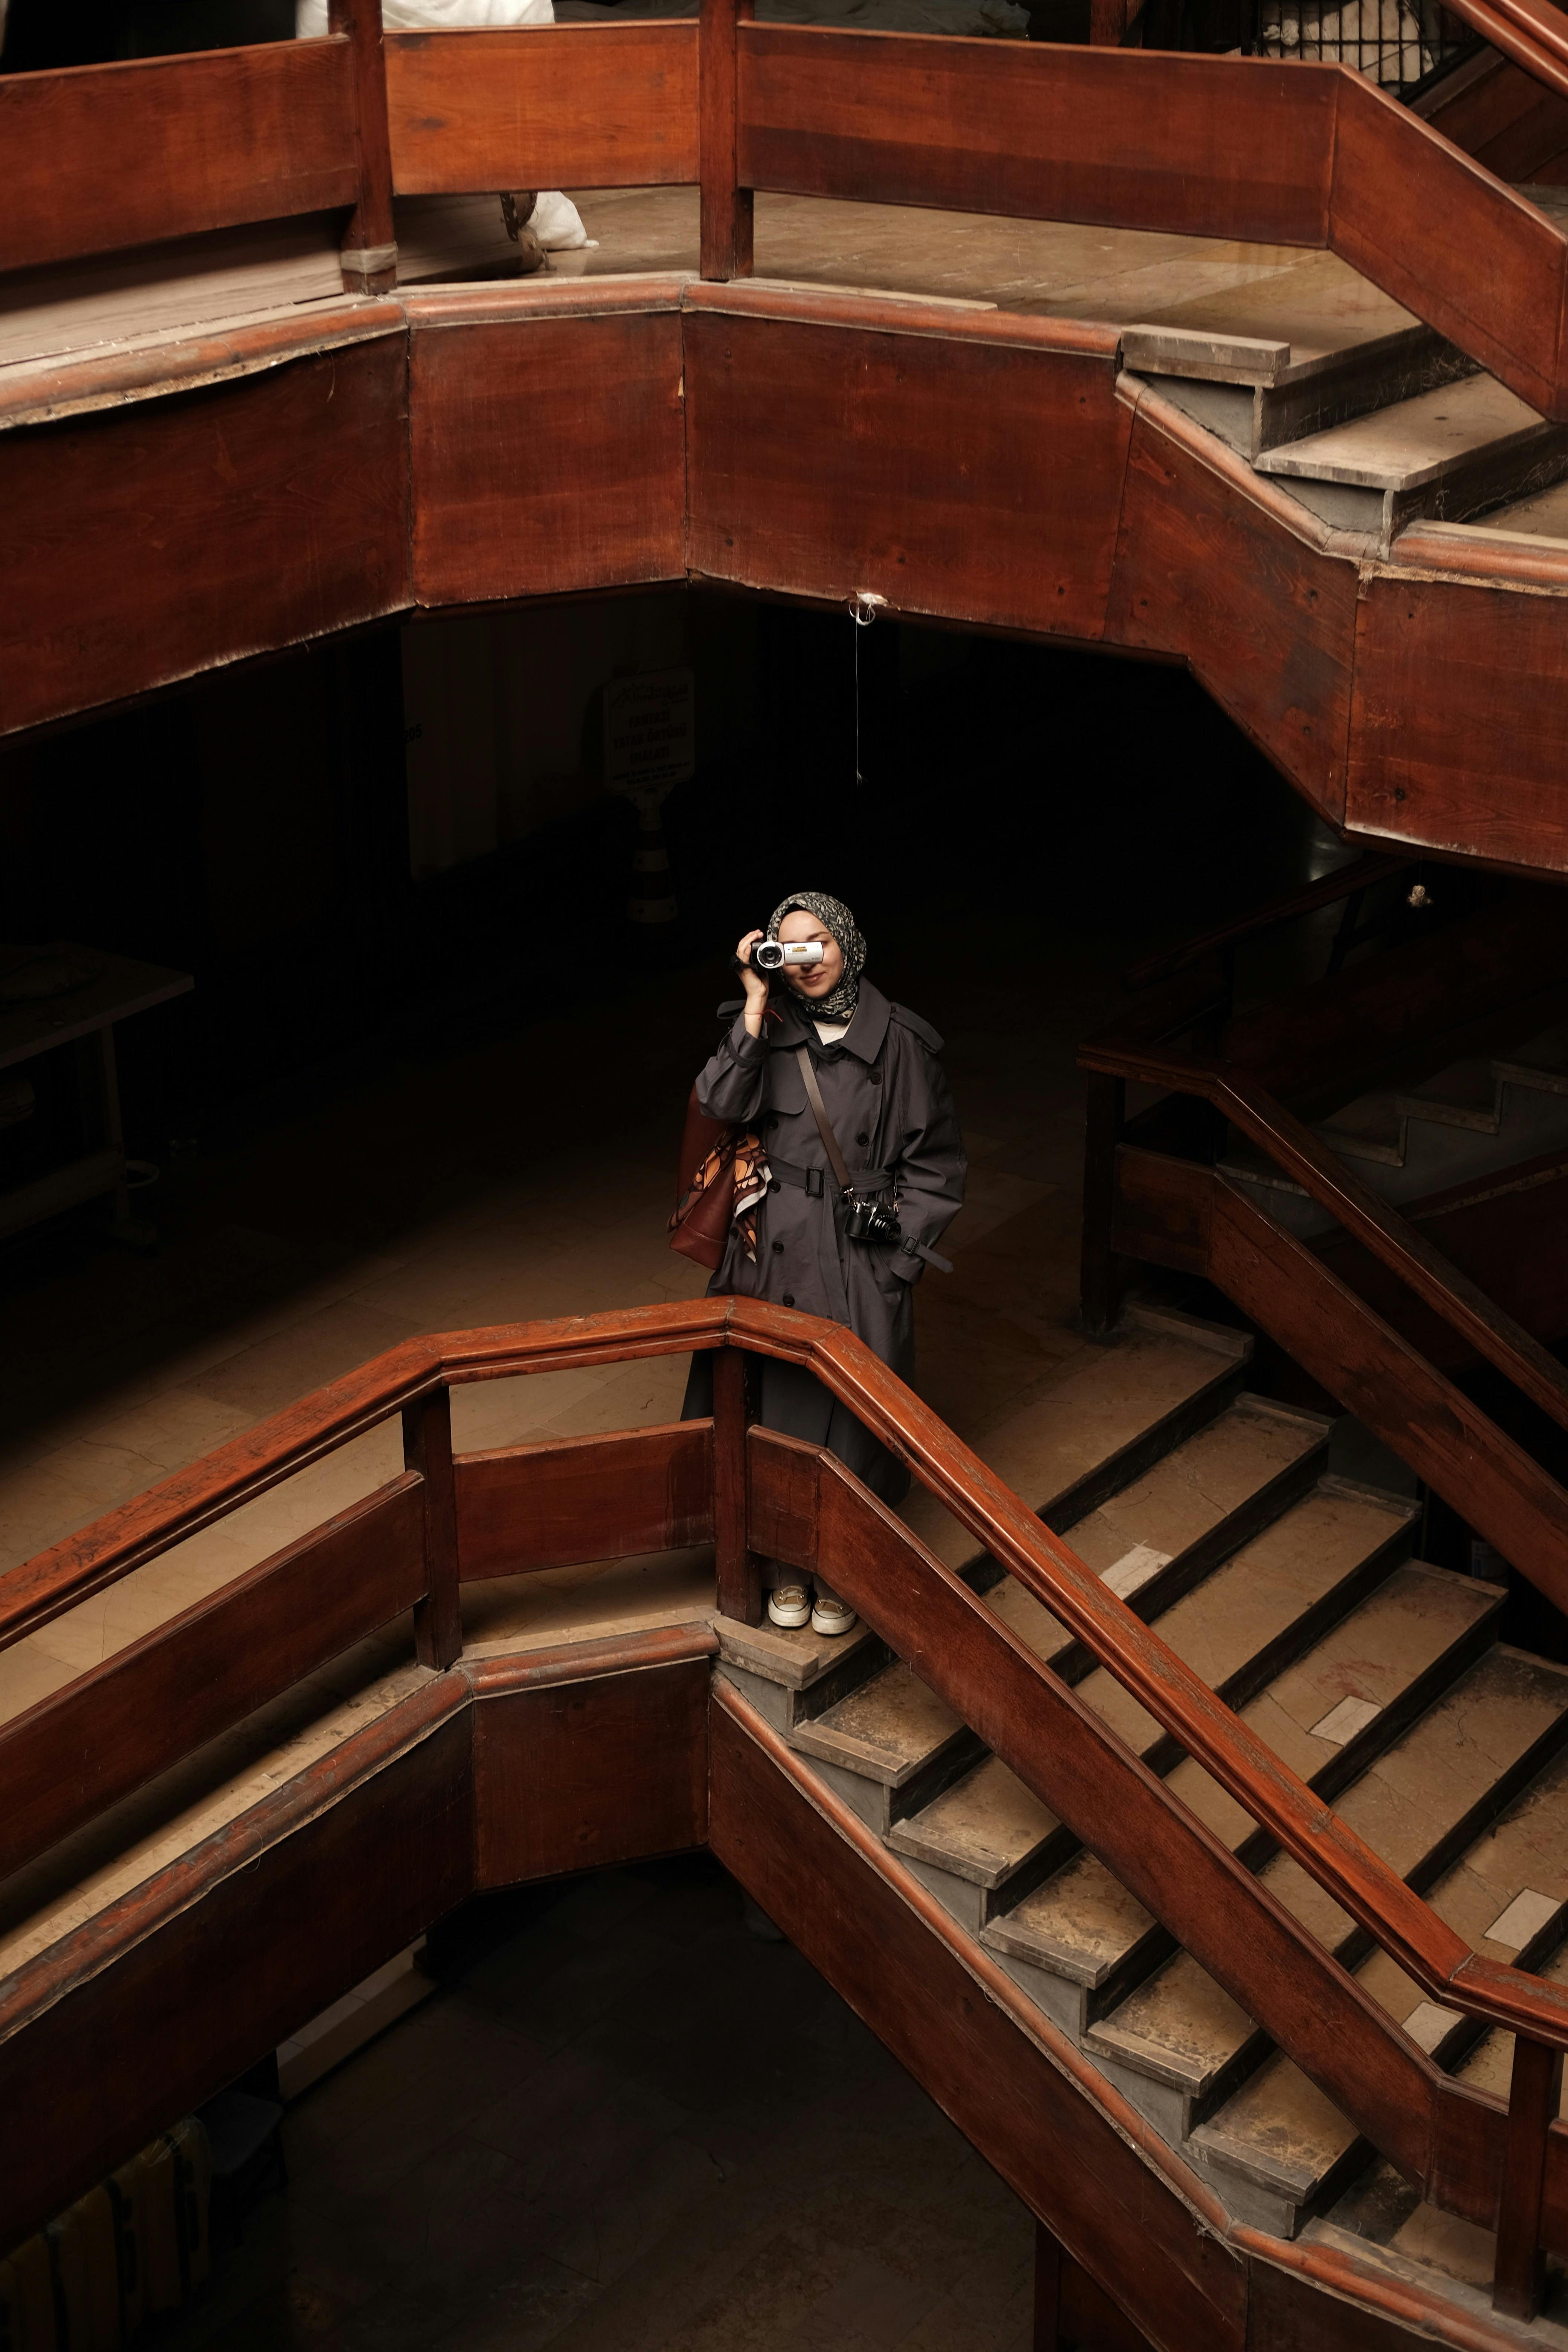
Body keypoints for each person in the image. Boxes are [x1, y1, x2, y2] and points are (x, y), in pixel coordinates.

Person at [683, 891, 966, 1636]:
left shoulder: (901, 1042)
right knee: (779, 1405)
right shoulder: (765, 1026)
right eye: (790, 948)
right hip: (777, 1243)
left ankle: (842, 1569)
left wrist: (900, 1263)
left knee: (860, 1412)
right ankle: (785, 1565)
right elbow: (717, 1104)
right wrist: (753, 1001)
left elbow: (936, 1165)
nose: (807, 961)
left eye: (820, 943)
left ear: (848, 944)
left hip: (862, 1246)